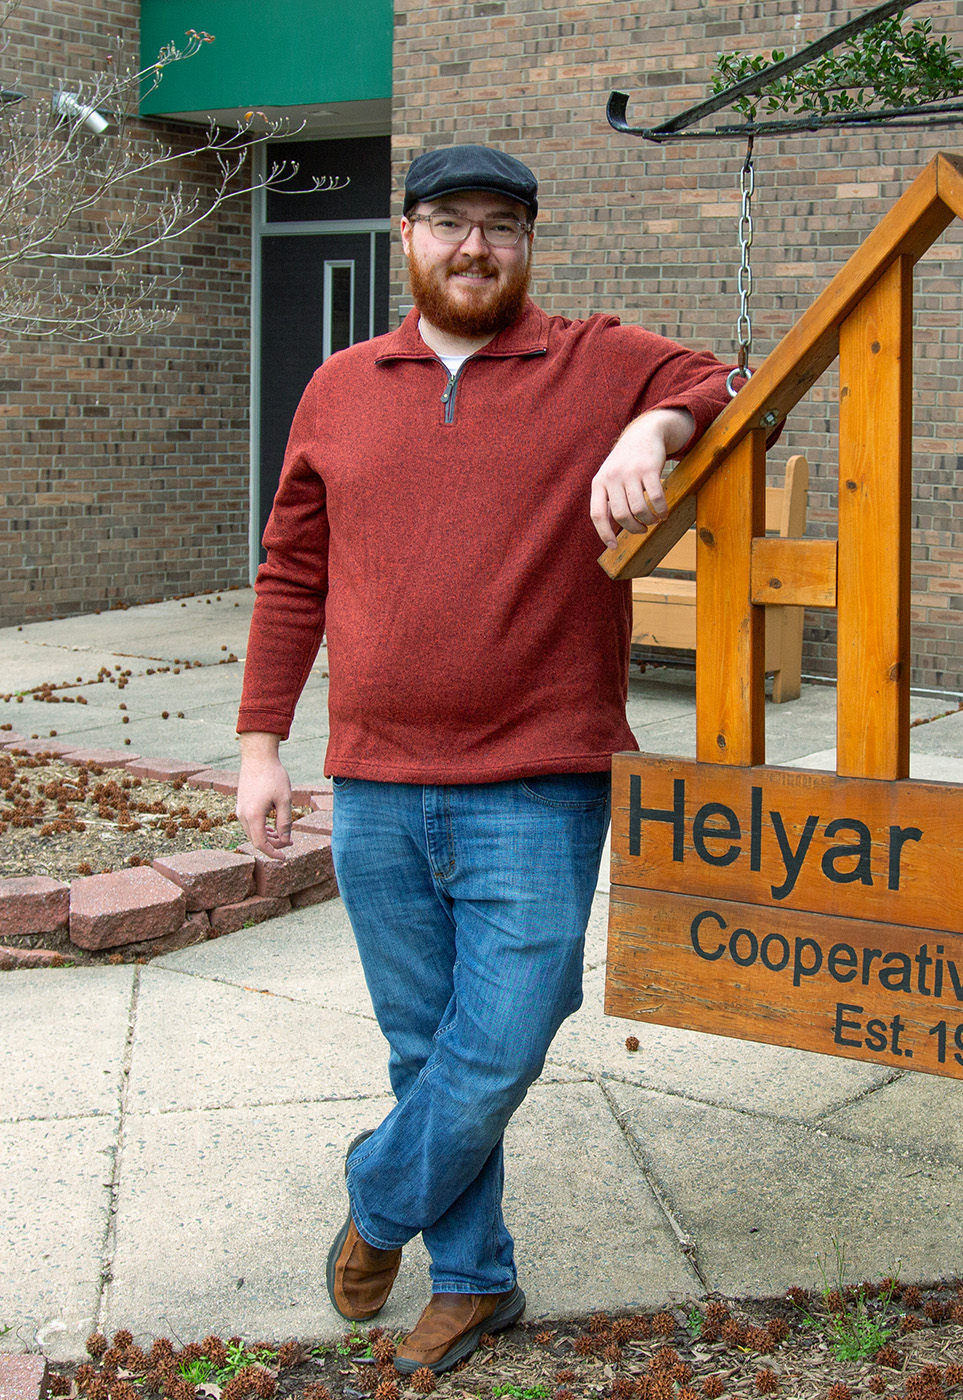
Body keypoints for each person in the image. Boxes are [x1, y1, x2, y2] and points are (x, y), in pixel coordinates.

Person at [234, 144, 732, 1374]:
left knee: (508, 1028)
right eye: (450, 223)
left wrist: (653, 429)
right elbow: (292, 570)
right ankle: (474, 1281)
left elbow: (730, 377)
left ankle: (374, 1197)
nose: (475, 247)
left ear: (528, 244)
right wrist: (262, 745)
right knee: (425, 1048)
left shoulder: (592, 361)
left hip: (541, 780)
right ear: (406, 237)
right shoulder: (339, 387)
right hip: (379, 783)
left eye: (502, 226)